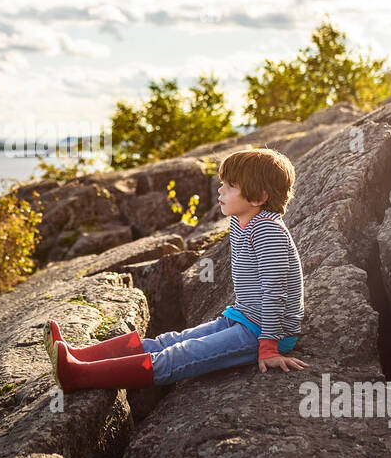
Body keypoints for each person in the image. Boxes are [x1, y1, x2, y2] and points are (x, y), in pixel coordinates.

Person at [45, 147, 308, 391]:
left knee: (178, 355)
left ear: (259, 197)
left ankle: (79, 375)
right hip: (242, 318)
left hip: (264, 332)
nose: (220, 191)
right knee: (166, 341)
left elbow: (276, 291)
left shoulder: (268, 230)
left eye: (231, 187)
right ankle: (78, 355)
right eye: (222, 184)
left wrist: (269, 347)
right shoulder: (242, 222)